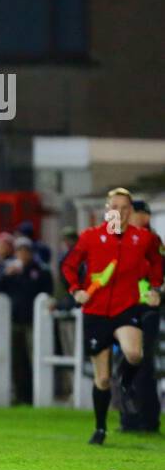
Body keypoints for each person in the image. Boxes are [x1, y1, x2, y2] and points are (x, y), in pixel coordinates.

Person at [61, 188, 162, 445]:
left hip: (127, 308)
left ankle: (126, 384)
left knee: (134, 353)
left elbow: (158, 262)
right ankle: (101, 427)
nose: (119, 212)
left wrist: (154, 288)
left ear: (130, 211)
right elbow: (69, 265)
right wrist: (76, 290)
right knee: (102, 378)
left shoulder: (144, 239)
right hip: (96, 312)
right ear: (107, 210)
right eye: (114, 207)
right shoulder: (90, 237)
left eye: (125, 207)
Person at [0, 236, 53, 404]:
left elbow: (47, 293)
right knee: (16, 360)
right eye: (20, 251)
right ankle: (20, 395)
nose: (23, 254)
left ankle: (36, 395)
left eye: (26, 250)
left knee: (34, 358)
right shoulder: (10, 271)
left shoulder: (40, 271)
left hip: (34, 322)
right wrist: (5, 275)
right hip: (15, 321)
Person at [123, 200, 163, 432]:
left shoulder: (151, 242)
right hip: (125, 309)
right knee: (126, 366)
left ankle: (147, 420)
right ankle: (129, 419)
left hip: (145, 310)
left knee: (143, 365)